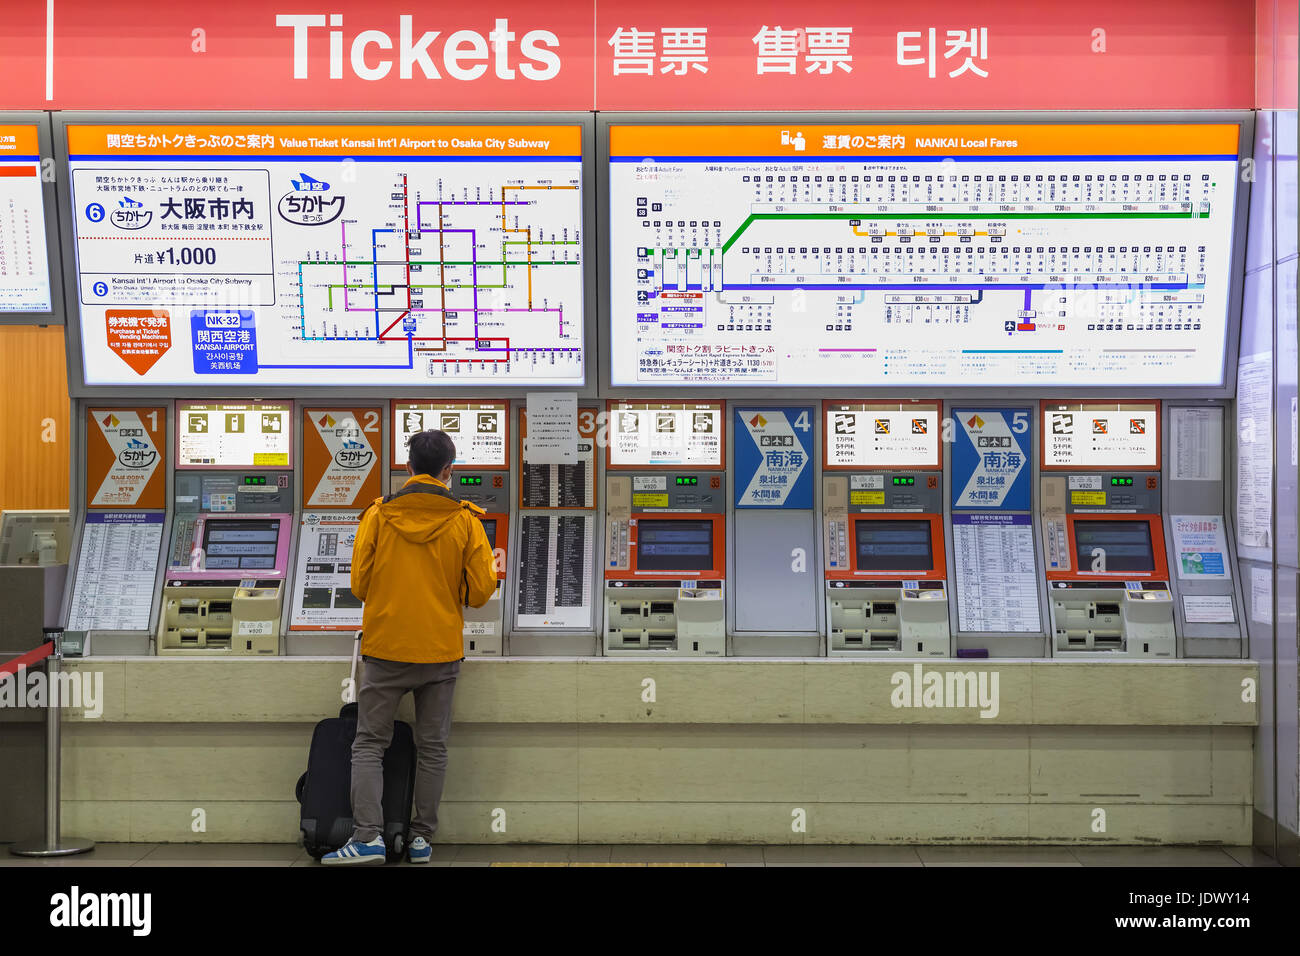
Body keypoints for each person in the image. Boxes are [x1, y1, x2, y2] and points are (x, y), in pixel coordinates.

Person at [322, 429, 497, 865]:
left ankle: (368, 838)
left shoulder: (378, 516)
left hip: (386, 650)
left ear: (407, 468)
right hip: (440, 651)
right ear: (448, 472)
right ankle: (420, 840)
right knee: (433, 746)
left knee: (369, 745)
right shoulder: (467, 521)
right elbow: (479, 594)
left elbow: (360, 586)